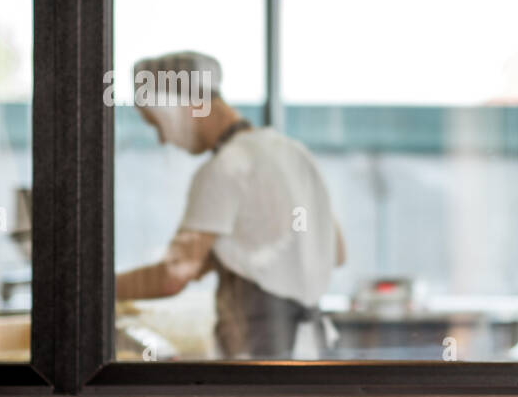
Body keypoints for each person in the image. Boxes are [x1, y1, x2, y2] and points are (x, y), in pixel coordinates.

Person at [114, 51, 346, 359]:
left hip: (256, 358)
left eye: (157, 124)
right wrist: (224, 256)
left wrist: (91, 287)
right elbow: (336, 251)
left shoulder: (223, 169)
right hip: (313, 351)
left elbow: (173, 275)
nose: (163, 140)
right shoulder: (293, 152)